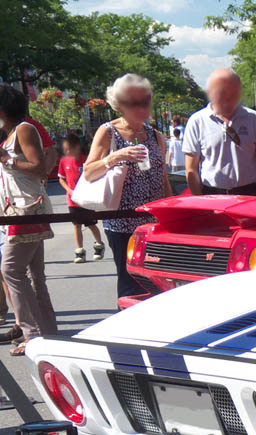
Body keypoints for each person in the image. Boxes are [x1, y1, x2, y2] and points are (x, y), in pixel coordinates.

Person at [81, 73, 171, 303]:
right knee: (131, 282)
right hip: (122, 223)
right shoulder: (108, 132)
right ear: (119, 106)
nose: (141, 107)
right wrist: (115, 156)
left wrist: (171, 215)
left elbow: (164, 179)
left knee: (158, 281)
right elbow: (89, 171)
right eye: (134, 103)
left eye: (145, 101)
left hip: (153, 222)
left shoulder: (155, 135)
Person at [0, 83, 56, 356]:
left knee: (10, 270)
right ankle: (47, 332)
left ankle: (32, 333)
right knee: (34, 275)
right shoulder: (10, 132)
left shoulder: (23, 129)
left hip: (27, 208)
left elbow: (39, 167)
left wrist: (5, 160)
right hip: (21, 208)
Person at [183, 68, 256, 196]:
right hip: (211, 196)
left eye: (233, 94)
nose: (228, 99)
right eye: (223, 93)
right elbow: (191, 167)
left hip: (247, 194)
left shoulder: (253, 119)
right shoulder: (197, 121)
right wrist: (199, 200)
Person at [57, 133, 105, 263]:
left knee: (91, 224)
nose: (66, 151)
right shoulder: (64, 161)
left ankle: (99, 245)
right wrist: (69, 190)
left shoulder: (87, 160)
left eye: (69, 148)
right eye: (65, 149)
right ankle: (80, 251)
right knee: (76, 225)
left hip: (86, 199)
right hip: (72, 201)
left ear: (77, 147)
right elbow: (61, 179)